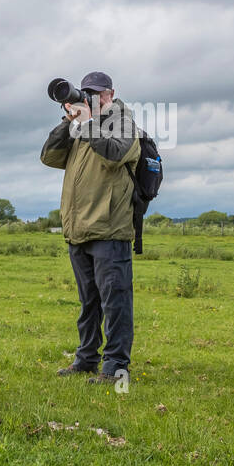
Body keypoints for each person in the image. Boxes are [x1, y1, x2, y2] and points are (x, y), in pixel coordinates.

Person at [40, 71, 141, 385]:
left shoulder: (124, 122)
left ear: (111, 94)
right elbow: (49, 156)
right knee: (89, 303)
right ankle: (86, 359)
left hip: (109, 229)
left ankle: (115, 369)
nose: (93, 98)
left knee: (116, 302)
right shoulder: (81, 126)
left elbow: (115, 154)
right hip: (79, 229)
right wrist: (69, 119)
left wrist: (87, 124)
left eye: (98, 94)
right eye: (87, 93)